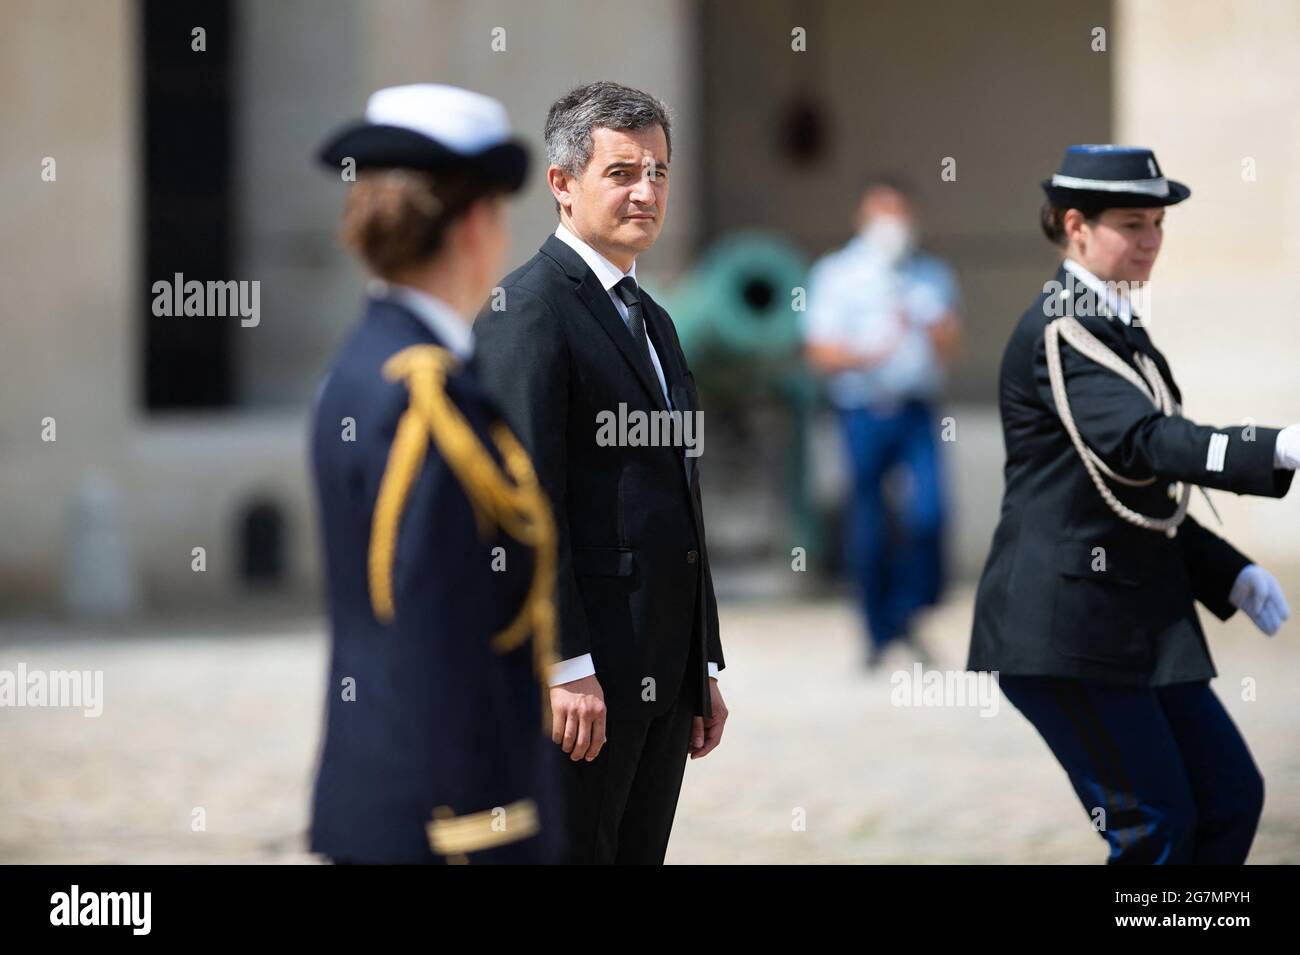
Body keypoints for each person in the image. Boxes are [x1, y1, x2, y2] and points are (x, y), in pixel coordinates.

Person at [968, 144, 1300, 864]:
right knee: (1155, 825)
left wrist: (1227, 572)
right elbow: (1146, 442)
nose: (1150, 240)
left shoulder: (1115, 324)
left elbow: (1130, 495)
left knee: (1230, 798)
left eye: (1157, 223)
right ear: (1075, 225)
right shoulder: (1063, 327)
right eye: (1132, 223)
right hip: (1067, 625)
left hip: (1133, 617)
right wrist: (1272, 447)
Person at [473, 81, 728, 865]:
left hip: (660, 666)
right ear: (562, 183)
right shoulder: (529, 311)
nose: (645, 191)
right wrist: (564, 662)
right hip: (584, 677)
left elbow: (678, 496)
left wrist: (701, 661)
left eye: (657, 171)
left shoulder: (654, 319)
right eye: (621, 172)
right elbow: (523, 506)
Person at [307, 83, 561, 864]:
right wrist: (487, 826)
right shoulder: (424, 394)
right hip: (448, 819)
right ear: (479, 225)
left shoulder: (363, 366)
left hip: (381, 797)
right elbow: (432, 631)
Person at [803, 176, 961, 668]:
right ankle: (875, 631)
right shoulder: (837, 273)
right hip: (862, 410)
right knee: (869, 524)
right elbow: (819, 351)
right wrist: (869, 355)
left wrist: (934, 324)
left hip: (916, 409)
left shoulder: (931, 275)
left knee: (930, 514)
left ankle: (907, 610)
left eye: (900, 214)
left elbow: (952, 346)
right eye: (882, 214)